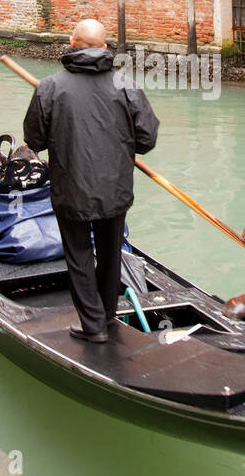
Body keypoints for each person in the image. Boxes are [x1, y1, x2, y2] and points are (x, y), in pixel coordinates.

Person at [23, 18, 159, 343]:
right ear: (104, 48)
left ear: (71, 44)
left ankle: (94, 326)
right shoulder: (126, 86)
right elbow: (147, 139)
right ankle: (107, 317)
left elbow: (34, 140)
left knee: (79, 256)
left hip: (71, 190)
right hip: (115, 190)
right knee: (111, 252)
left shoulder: (50, 87)